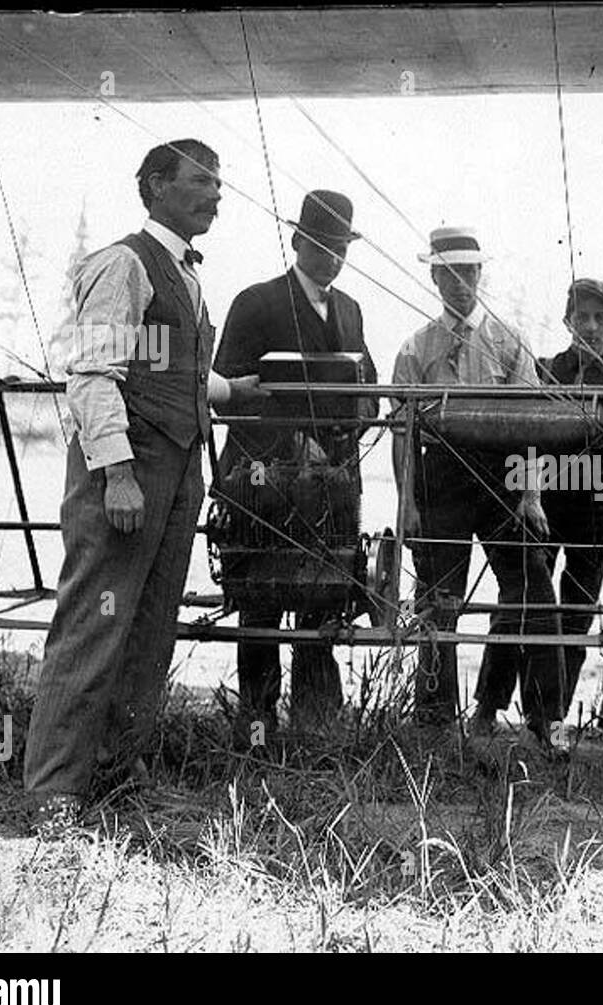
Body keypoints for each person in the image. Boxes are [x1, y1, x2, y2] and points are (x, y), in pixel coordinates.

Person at [24, 139, 263, 831]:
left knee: (150, 629)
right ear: (156, 186)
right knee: (94, 625)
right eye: (202, 181)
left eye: (220, 182)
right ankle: (53, 795)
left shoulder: (183, 274)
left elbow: (169, 364)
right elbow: (95, 374)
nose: (217, 194)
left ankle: (115, 775)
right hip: (125, 473)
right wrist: (118, 475)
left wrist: (226, 388)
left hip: (177, 472)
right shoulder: (122, 263)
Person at [212, 190, 379, 742]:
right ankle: (256, 729)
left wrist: (344, 430)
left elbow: (370, 392)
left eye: (340, 247)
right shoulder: (256, 303)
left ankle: (318, 728)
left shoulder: (352, 310)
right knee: (261, 602)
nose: (332, 257)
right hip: (263, 483)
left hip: (331, 488)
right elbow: (227, 389)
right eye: (322, 245)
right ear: (297, 240)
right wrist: (291, 437)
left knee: (325, 597)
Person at [390, 227, 565, 748]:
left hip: (503, 474)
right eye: (449, 273)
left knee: (532, 587)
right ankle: (435, 719)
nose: (460, 283)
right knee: (437, 599)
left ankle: (545, 717)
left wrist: (531, 494)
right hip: (440, 476)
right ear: (435, 276)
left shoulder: (509, 340)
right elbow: (402, 429)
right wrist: (407, 501)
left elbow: (534, 422)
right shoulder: (416, 347)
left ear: (480, 275)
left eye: (469, 272)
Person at [472, 278, 603, 734]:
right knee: (521, 601)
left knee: (577, 611)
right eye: (581, 317)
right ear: (567, 320)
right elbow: (518, 432)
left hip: (596, 505)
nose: (590, 326)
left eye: (600, 318)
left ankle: (550, 719)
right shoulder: (542, 371)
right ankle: (487, 707)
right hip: (541, 500)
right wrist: (529, 495)